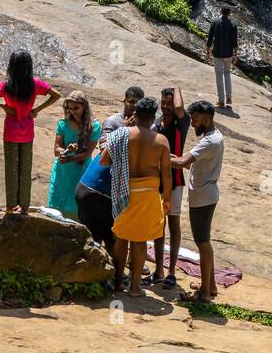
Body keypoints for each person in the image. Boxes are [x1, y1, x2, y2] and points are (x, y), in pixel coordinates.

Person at [101, 97, 171, 296]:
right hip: (148, 194)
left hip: (124, 191)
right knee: (140, 241)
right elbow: (166, 173)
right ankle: (134, 288)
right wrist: (167, 199)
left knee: (121, 238)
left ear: (135, 115)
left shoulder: (121, 135)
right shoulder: (161, 140)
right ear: (152, 118)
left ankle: (118, 283)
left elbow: (104, 161)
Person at [0, 53, 59, 214]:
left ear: (11, 66)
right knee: (25, 169)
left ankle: (11, 206)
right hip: (27, 131)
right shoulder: (34, 84)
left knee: (11, 168)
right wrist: (36, 110)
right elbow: (56, 95)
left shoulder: (6, 85)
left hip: (10, 130)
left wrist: (4, 107)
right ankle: (24, 207)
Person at [171, 101, 224, 303]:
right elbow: (190, 163)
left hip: (203, 197)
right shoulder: (214, 137)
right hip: (206, 194)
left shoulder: (209, 141)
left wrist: (160, 156)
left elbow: (184, 162)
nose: (192, 123)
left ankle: (205, 293)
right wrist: (176, 158)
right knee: (204, 242)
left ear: (207, 119)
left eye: (194, 119)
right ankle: (209, 285)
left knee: (203, 243)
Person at [150, 85, 190, 288]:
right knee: (159, 226)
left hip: (175, 181)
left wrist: (177, 88)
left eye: (169, 103)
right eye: (163, 103)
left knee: (173, 224)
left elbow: (181, 108)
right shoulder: (155, 125)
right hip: (157, 182)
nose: (166, 106)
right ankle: (158, 269)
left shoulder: (181, 123)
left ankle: (172, 271)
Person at [47, 91, 100, 219]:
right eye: (70, 108)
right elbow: (56, 149)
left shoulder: (94, 126)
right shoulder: (63, 124)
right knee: (57, 203)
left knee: (77, 205)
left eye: (76, 108)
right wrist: (66, 150)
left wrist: (70, 157)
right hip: (63, 171)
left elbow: (87, 153)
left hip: (80, 169)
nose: (72, 111)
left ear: (84, 107)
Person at [75, 148, 115, 257]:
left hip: (84, 187)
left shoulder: (117, 134)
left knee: (91, 238)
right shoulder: (135, 141)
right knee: (111, 240)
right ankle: (114, 273)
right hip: (100, 193)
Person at [206, 6, 237, 109]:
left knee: (219, 75)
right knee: (227, 74)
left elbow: (210, 38)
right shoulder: (233, 24)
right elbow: (235, 42)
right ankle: (229, 98)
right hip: (228, 54)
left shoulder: (215, 22)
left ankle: (221, 101)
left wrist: (207, 51)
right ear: (229, 13)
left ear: (220, 11)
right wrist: (235, 55)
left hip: (217, 53)